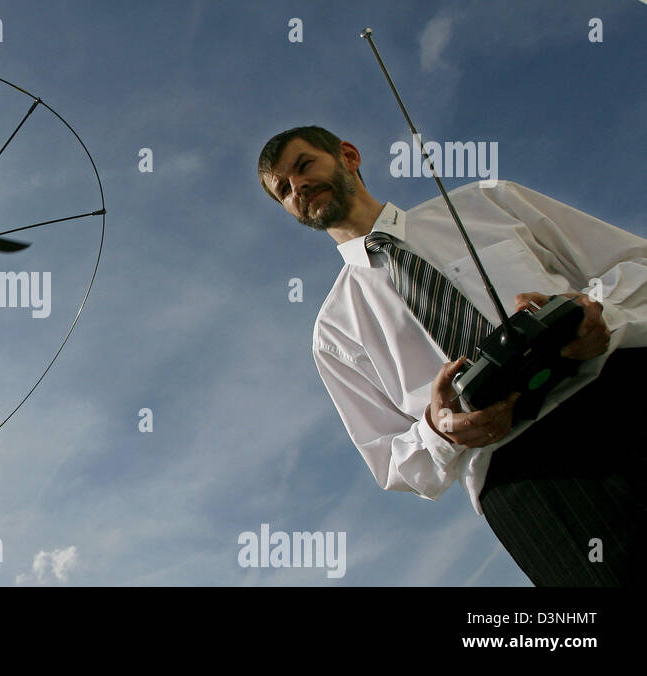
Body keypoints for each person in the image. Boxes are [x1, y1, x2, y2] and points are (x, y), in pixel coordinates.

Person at [258, 125, 647, 586]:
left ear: (348, 155)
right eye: (284, 189)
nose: (298, 187)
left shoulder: (488, 203)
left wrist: (602, 314)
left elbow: (633, 263)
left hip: (620, 392)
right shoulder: (333, 332)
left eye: (304, 166)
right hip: (532, 483)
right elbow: (388, 458)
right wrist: (440, 430)